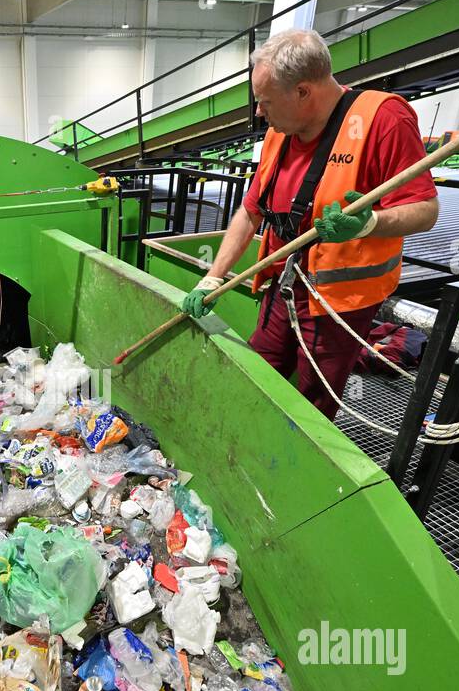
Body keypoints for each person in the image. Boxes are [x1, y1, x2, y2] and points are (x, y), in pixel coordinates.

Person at [180, 28, 438, 420]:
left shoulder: (382, 120)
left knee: (312, 402)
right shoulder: (278, 134)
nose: (258, 113)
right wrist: (214, 276)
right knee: (254, 373)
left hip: (338, 304)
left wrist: (369, 224)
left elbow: (426, 209)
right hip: (282, 285)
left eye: (265, 102)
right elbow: (251, 210)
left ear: (303, 92)